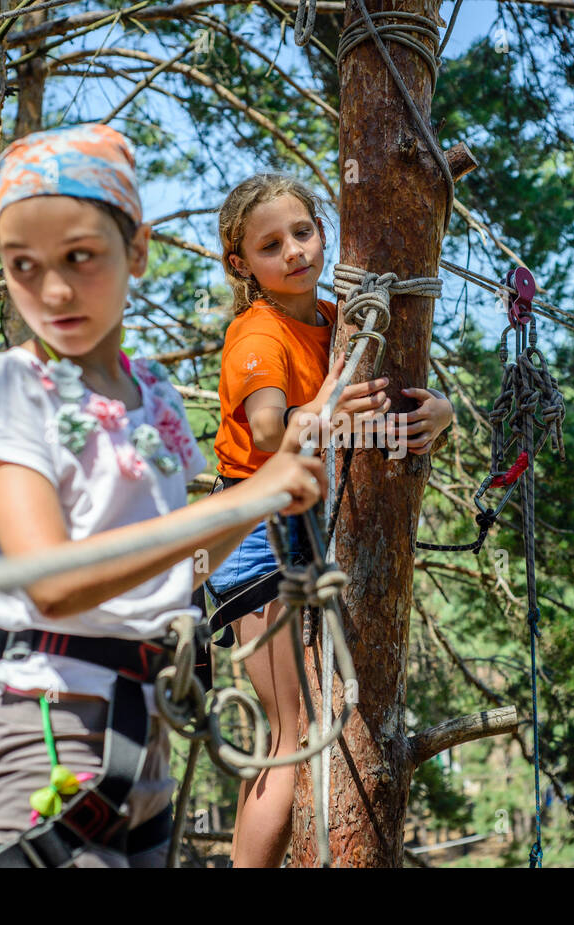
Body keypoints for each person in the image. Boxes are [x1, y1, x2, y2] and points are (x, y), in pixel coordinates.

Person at [0, 126, 326, 868]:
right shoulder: (9, 385)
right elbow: (49, 581)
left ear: (136, 251)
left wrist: (262, 502)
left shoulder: (155, 395)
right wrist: (250, 496)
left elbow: (184, 560)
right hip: (43, 708)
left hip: (142, 719)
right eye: (25, 265)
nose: (53, 290)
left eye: (80, 257)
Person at [208, 172, 455, 867]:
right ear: (241, 265)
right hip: (259, 537)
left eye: (303, 232)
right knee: (294, 733)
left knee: (323, 721)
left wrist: (443, 413)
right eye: (269, 244)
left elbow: (385, 403)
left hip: (310, 531)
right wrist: (324, 412)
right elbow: (264, 431)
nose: (292, 250)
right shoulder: (257, 331)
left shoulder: (337, 318)